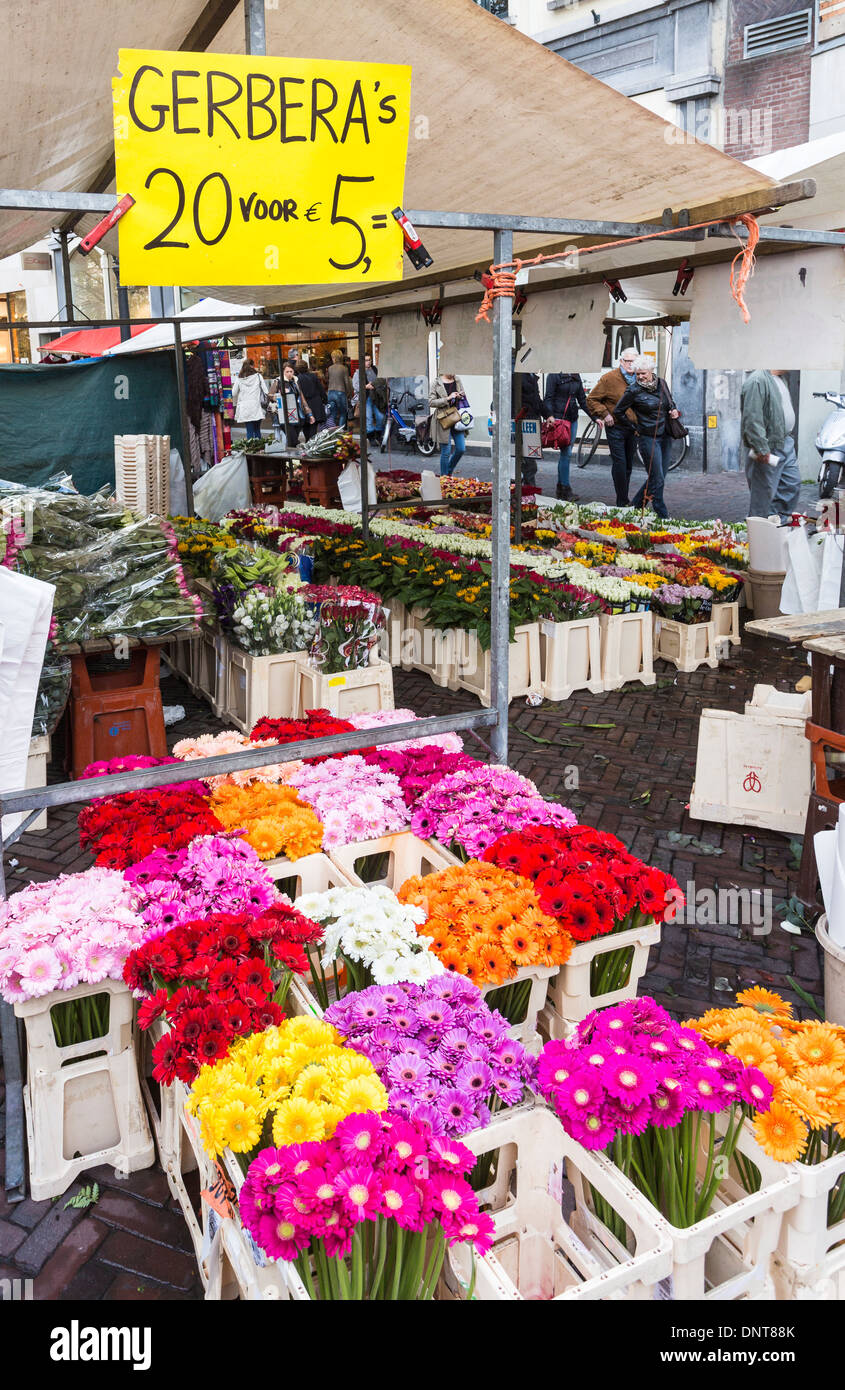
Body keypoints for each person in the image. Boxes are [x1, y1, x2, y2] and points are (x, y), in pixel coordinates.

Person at [612, 356, 682, 519]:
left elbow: (670, 403)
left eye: (643, 373)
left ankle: (636, 505)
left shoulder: (662, 383)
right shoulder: (633, 390)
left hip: (665, 436)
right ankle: (662, 512)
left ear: (651, 372)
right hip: (648, 438)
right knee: (657, 478)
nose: (640, 377)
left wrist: (674, 411)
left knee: (659, 477)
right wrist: (634, 427)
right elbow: (618, 411)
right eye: (637, 374)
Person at [740, 369, 802, 520]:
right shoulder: (757, 380)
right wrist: (761, 448)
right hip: (768, 445)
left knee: (791, 483)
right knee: (763, 493)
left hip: (785, 442)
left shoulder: (781, 379)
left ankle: (775, 522)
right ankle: (759, 530)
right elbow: (752, 418)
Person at [585, 349, 641, 506]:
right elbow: (592, 399)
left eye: (633, 361)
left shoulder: (640, 377)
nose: (631, 364)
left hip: (633, 428)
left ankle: (624, 497)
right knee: (620, 463)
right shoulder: (609, 378)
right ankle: (622, 501)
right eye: (627, 361)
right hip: (615, 426)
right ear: (621, 361)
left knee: (629, 464)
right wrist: (604, 414)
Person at [543, 371, 589, 501]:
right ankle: (564, 487)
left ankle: (562, 488)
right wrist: (549, 415)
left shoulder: (576, 374)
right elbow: (548, 397)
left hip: (572, 419)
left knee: (566, 453)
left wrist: (595, 417)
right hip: (559, 419)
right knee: (566, 453)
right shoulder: (554, 375)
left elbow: (582, 399)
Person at [511, 371, 548, 488]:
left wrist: (548, 415)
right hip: (523, 421)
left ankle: (527, 489)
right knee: (528, 462)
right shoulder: (517, 375)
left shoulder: (531, 376)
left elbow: (537, 399)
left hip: (531, 422)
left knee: (529, 459)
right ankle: (528, 489)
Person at [430, 370, 468, 476]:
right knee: (446, 452)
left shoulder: (457, 379)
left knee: (461, 448)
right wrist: (448, 398)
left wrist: (460, 396)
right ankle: (444, 478)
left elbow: (463, 395)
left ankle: (448, 471)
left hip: (456, 418)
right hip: (444, 419)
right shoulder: (436, 382)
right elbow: (431, 402)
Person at [272, 362, 311, 448]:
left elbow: (302, 397)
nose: (289, 373)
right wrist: (277, 396)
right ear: (283, 372)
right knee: (293, 440)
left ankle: (291, 458)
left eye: (291, 371)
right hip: (284, 416)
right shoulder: (278, 382)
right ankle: (291, 459)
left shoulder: (295, 381)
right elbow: (269, 395)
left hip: (297, 415)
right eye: (287, 372)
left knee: (293, 440)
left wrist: (309, 413)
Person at [232, 359, 269, 441]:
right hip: (257, 406)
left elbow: (234, 393)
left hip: (245, 407)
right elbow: (266, 391)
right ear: (252, 366)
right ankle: (259, 449)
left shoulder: (239, 379)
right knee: (257, 430)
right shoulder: (258, 376)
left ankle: (251, 450)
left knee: (249, 431)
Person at [352, 353, 385, 439]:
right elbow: (355, 386)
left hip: (377, 397)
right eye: (366, 360)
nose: (368, 362)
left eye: (369, 360)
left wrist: (375, 384)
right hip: (366, 398)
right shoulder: (358, 372)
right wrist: (366, 386)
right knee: (369, 418)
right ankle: (371, 438)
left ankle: (378, 434)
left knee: (380, 417)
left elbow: (382, 380)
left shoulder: (375, 369)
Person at [293, 360, 327, 439]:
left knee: (306, 425)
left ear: (297, 369)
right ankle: (311, 442)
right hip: (316, 403)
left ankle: (308, 441)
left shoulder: (297, 379)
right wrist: (325, 400)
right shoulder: (313, 376)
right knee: (313, 426)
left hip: (305, 404)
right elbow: (321, 389)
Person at [326, 349, 353, 427]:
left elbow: (328, 379)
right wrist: (349, 393)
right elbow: (347, 382)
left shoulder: (330, 368)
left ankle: (332, 432)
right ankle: (340, 432)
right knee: (343, 413)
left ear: (334, 358)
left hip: (330, 393)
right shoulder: (344, 368)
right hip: (340, 392)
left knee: (333, 414)